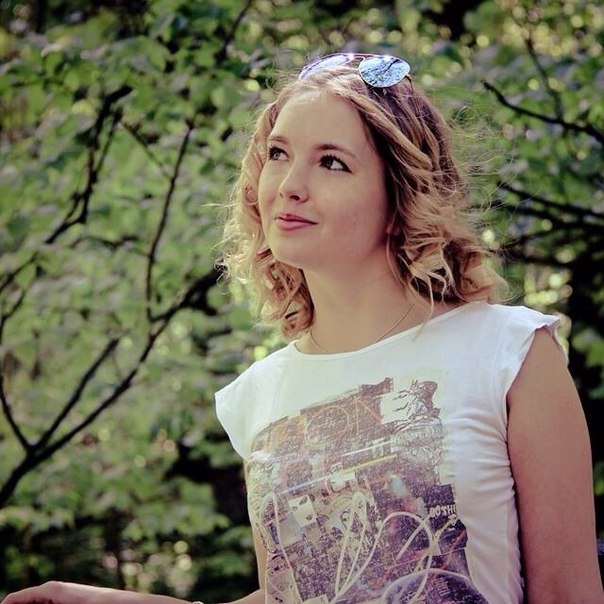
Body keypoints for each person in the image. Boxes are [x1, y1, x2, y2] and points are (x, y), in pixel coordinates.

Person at [3, 52, 603, 604]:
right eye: (278, 154)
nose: (290, 185)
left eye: (331, 162)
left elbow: (568, 592)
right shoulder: (258, 396)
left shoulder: (509, 352)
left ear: (400, 197)